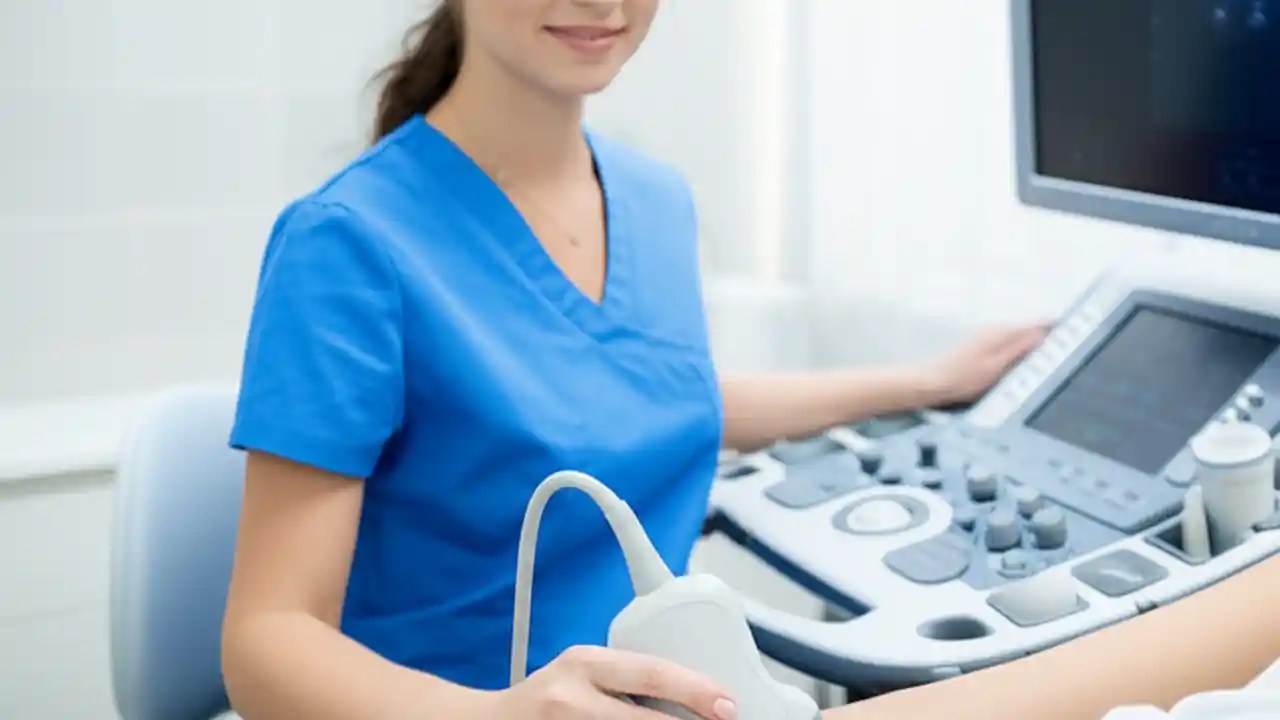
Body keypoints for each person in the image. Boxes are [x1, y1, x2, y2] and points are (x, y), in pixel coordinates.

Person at [219, 1, 1280, 718]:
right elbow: (266, 641)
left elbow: (648, 400)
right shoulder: (348, 244)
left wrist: (922, 383)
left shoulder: (651, 200)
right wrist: (500, 716)